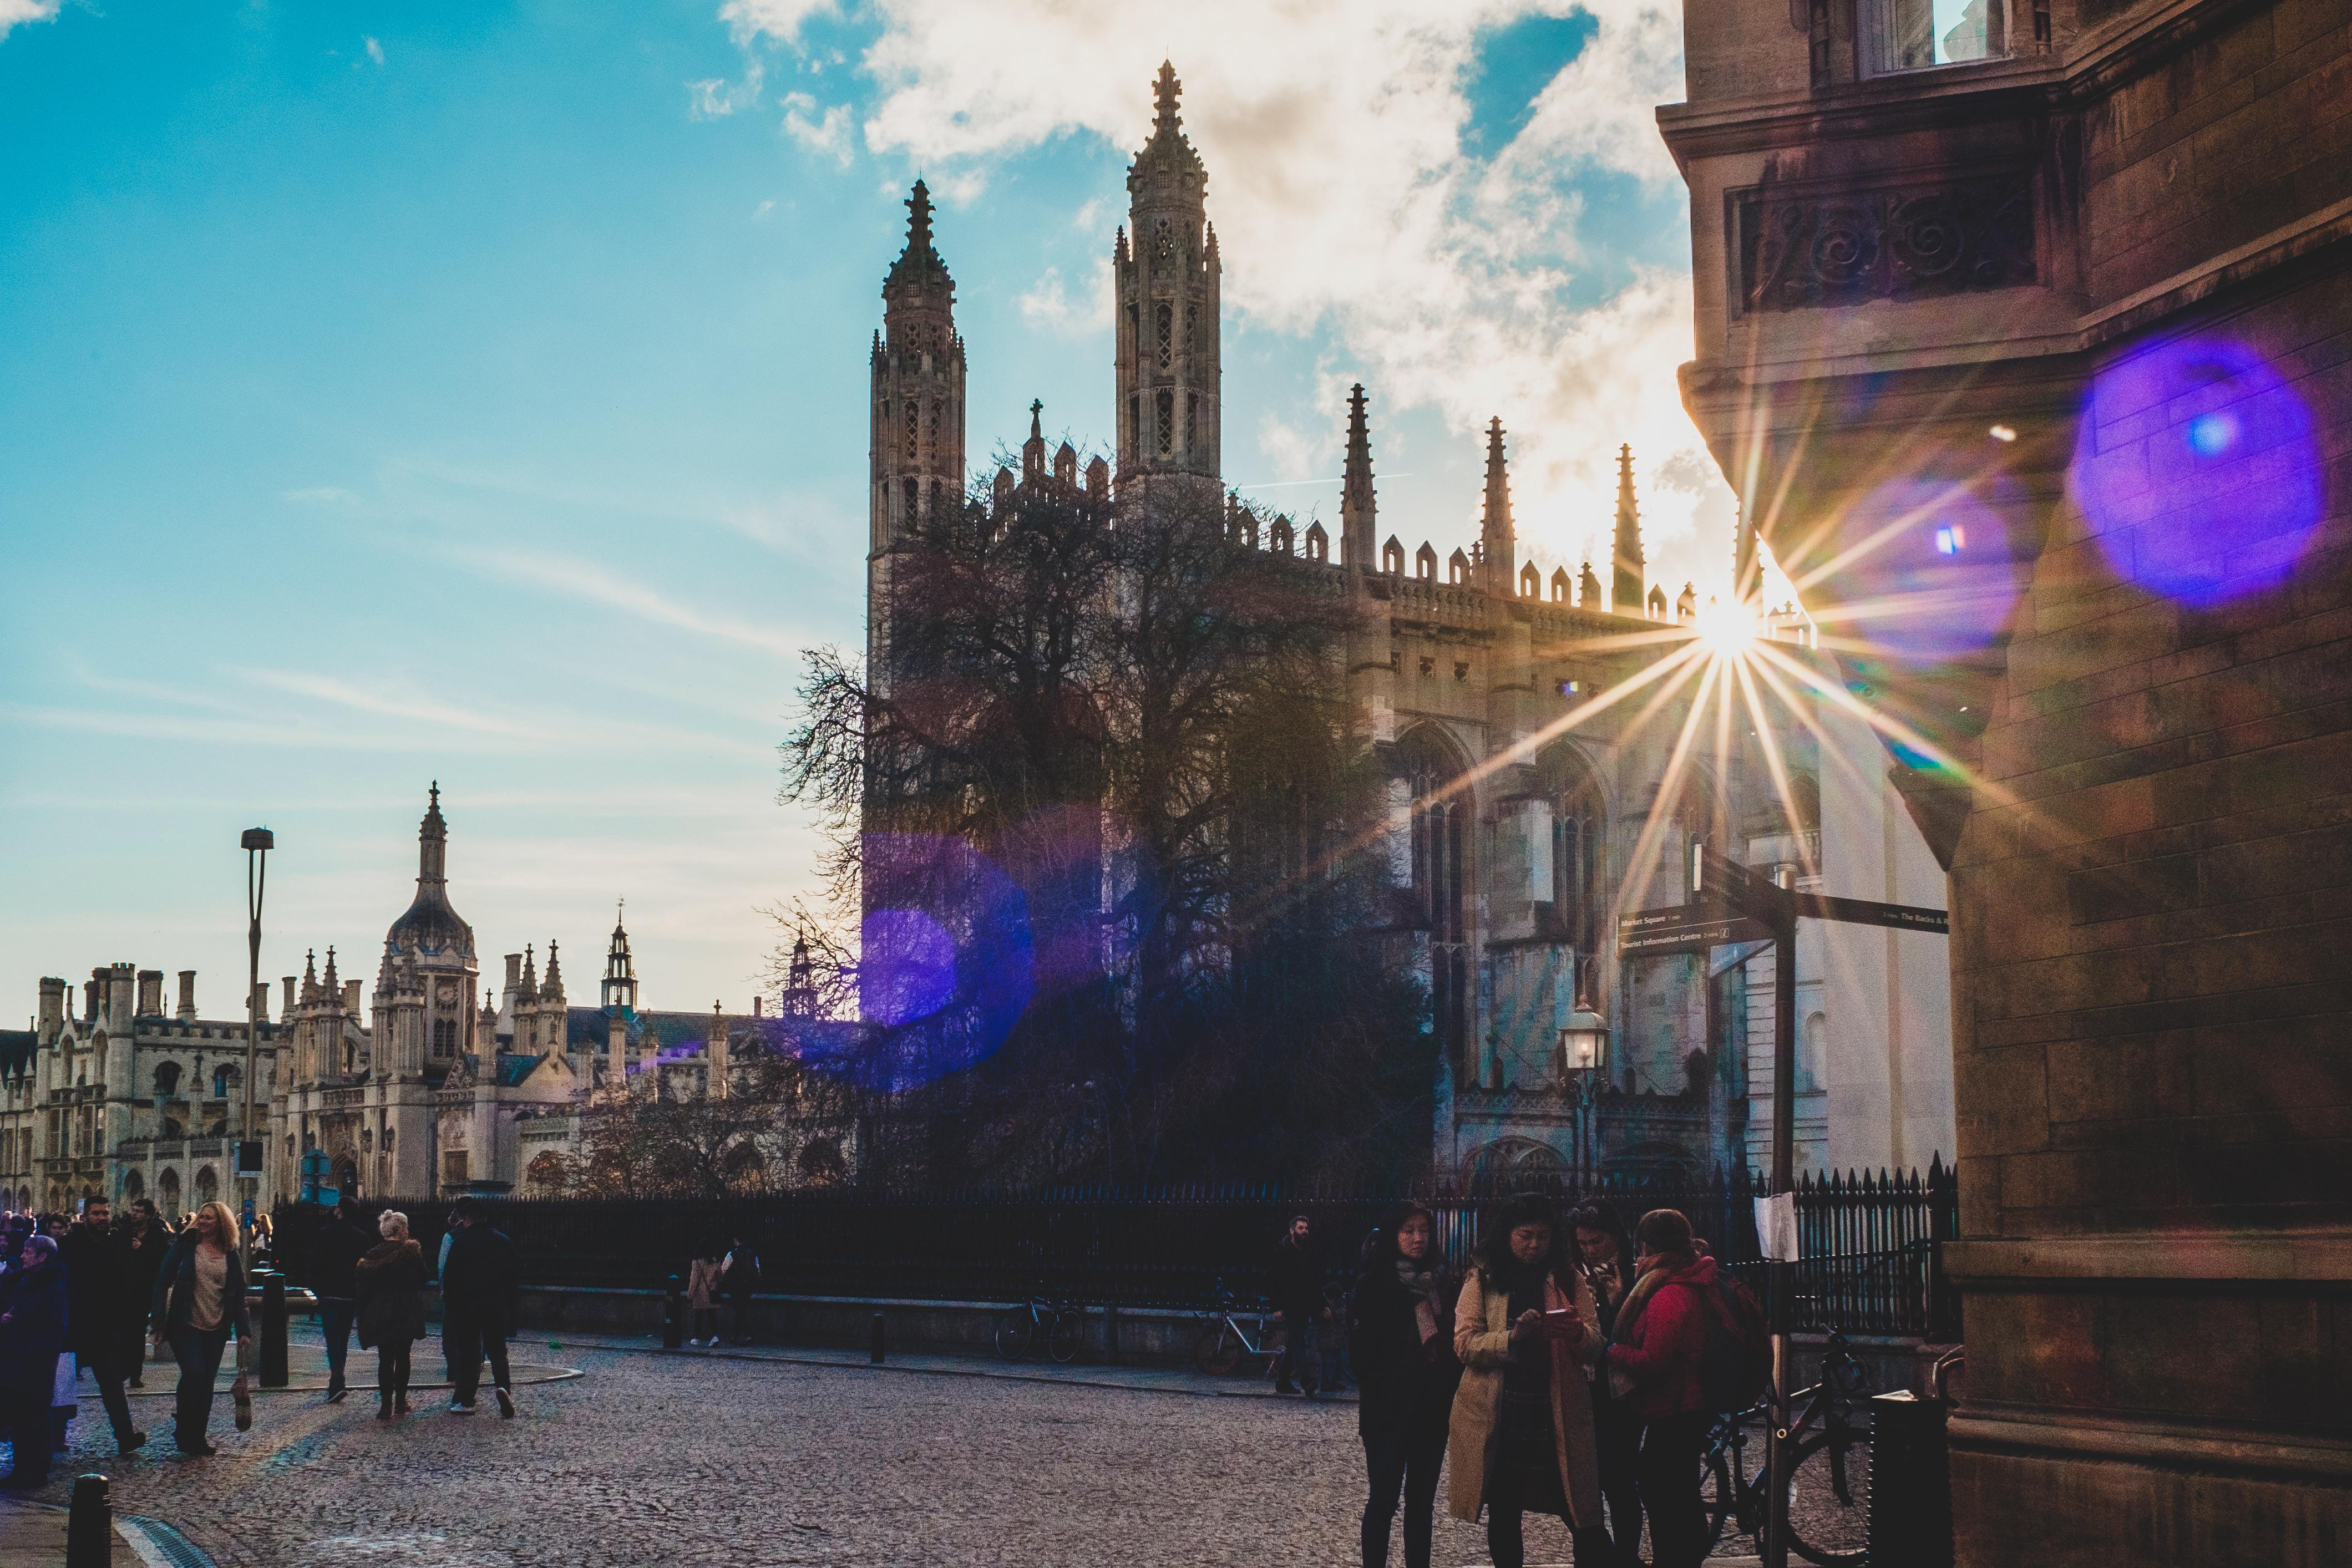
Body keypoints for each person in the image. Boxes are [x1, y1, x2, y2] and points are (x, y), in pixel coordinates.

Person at [1445, 1193, 1614, 1568]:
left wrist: (1574, 1331)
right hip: (1501, 1412)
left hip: (1557, 1410)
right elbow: (1463, 1343)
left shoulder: (1570, 1279)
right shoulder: (1485, 1278)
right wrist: (1511, 1337)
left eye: (1542, 1235)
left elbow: (1596, 1344)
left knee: (1582, 1512)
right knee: (1504, 1510)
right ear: (1508, 1235)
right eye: (1525, 1235)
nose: (1535, 1244)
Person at [1597, 1207, 1717, 1568]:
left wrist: (1610, 1350)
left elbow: (1652, 1360)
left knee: (1662, 1490)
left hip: (1679, 1405)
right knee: (1677, 1489)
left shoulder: (1669, 1292)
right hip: (1688, 1402)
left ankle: (1676, 1559)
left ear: (1646, 1245)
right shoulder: (1688, 1273)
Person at [1350, 1202, 1462, 1568]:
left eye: (1423, 1230)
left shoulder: (1444, 1282)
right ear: (1393, 1235)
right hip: (1387, 1412)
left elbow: (1454, 1343)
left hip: (1431, 1410)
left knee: (1421, 1506)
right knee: (1383, 1501)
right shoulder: (1374, 1285)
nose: (1417, 1238)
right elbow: (1360, 1358)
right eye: (1408, 1230)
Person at [1570, 1203, 1642, 1565]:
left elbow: (1639, 1335)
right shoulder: (1573, 1274)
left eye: (1595, 1241)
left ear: (1615, 1238)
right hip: (1583, 1387)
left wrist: (1618, 1302)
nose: (1589, 1249)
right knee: (1581, 1486)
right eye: (1582, 1242)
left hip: (1619, 1391)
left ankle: (1626, 1557)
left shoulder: (1633, 1272)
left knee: (1619, 1484)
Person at [149, 1200, 249, 1457]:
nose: (203, 1222)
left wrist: (244, 1331)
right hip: (186, 1322)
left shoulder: (230, 1251)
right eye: (201, 1217)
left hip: (216, 1325)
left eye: (209, 1218)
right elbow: (161, 1281)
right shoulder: (185, 1245)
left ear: (221, 1223)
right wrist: (158, 1320)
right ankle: (184, 1430)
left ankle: (198, 1436)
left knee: (206, 1383)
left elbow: (238, 1294)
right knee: (195, 1374)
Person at [59, 1196, 145, 1454]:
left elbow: (127, 1280)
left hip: (105, 1327)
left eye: (106, 1213)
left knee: (112, 1384)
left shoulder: (115, 1243)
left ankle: (125, 1436)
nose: (102, 1218)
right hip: (75, 1325)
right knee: (63, 1384)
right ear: (85, 1215)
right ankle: (54, 1436)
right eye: (96, 1213)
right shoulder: (69, 1244)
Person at [0, 1233, 69, 1489]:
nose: (22, 1256)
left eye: (28, 1252)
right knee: (21, 1419)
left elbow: (54, 1330)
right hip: (16, 1361)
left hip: (34, 1364)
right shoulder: (24, 1282)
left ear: (42, 1257)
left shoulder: (52, 1289)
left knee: (34, 1419)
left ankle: (34, 1471)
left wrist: (30, 1352)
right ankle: (23, 1470)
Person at [439, 1198, 517, 1418]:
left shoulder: (461, 1243)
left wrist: (453, 1307)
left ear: (467, 1219)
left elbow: (451, 1278)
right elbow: (512, 1277)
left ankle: (467, 1400)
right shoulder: (503, 1241)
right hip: (495, 1306)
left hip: (468, 1307)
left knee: (469, 1354)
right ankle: (504, 1388)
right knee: (498, 1352)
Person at [355, 1210, 427, 1420]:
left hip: (380, 1312)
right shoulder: (411, 1253)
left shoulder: (371, 1255)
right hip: (405, 1310)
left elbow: (363, 1290)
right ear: (401, 1229)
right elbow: (422, 1279)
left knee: (385, 1359)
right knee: (403, 1357)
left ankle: (385, 1405)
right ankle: (401, 1402)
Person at [305, 1200, 373, 1403]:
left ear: (339, 1212)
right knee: (341, 1339)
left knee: (332, 1339)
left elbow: (316, 1265)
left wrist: (318, 1288)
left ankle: (337, 1378)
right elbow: (364, 1269)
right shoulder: (363, 1238)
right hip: (349, 1295)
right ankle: (337, 1380)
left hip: (329, 1294)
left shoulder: (325, 1233)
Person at [119, 1198, 172, 1389]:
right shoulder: (123, 1232)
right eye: (133, 1209)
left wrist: (143, 1250)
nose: (135, 1213)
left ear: (149, 1215)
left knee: (137, 1333)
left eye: (140, 1211)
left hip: (143, 1291)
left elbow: (163, 1260)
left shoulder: (158, 1234)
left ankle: (135, 1373)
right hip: (123, 1290)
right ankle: (123, 1368)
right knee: (123, 1332)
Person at [1267, 1215, 1321, 1395]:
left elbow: (1314, 1282)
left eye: (1306, 1228)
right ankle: (1307, 1381)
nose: (1304, 1231)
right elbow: (1273, 1281)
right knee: (1298, 1343)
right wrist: (1276, 1307)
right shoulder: (1281, 1253)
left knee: (1294, 1344)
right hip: (1289, 1306)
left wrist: (1321, 1305)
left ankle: (1282, 1381)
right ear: (1292, 1230)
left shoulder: (1309, 1253)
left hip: (1304, 1306)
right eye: (1300, 1228)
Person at [719, 1235, 760, 1346]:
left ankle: (747, 1335)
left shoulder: (731, 1254)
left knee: (739, 1310)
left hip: (735, 1286)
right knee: (741, 1309)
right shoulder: (752, 1254)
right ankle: (735, 1336)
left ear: (736, 1241)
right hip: (748, 1286)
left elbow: (723, 1270)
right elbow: (757, 1270)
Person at [686, 1249, 722, 1347]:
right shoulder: (715, 1261)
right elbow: (720, 1276)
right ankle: (715, 1336)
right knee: (712, 1316)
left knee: (699, 1315)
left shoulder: (697, 1262)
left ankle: (696, 1338)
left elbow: (694, 1280)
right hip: (712, 1291)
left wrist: (690, 1294)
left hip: (701, 1293)